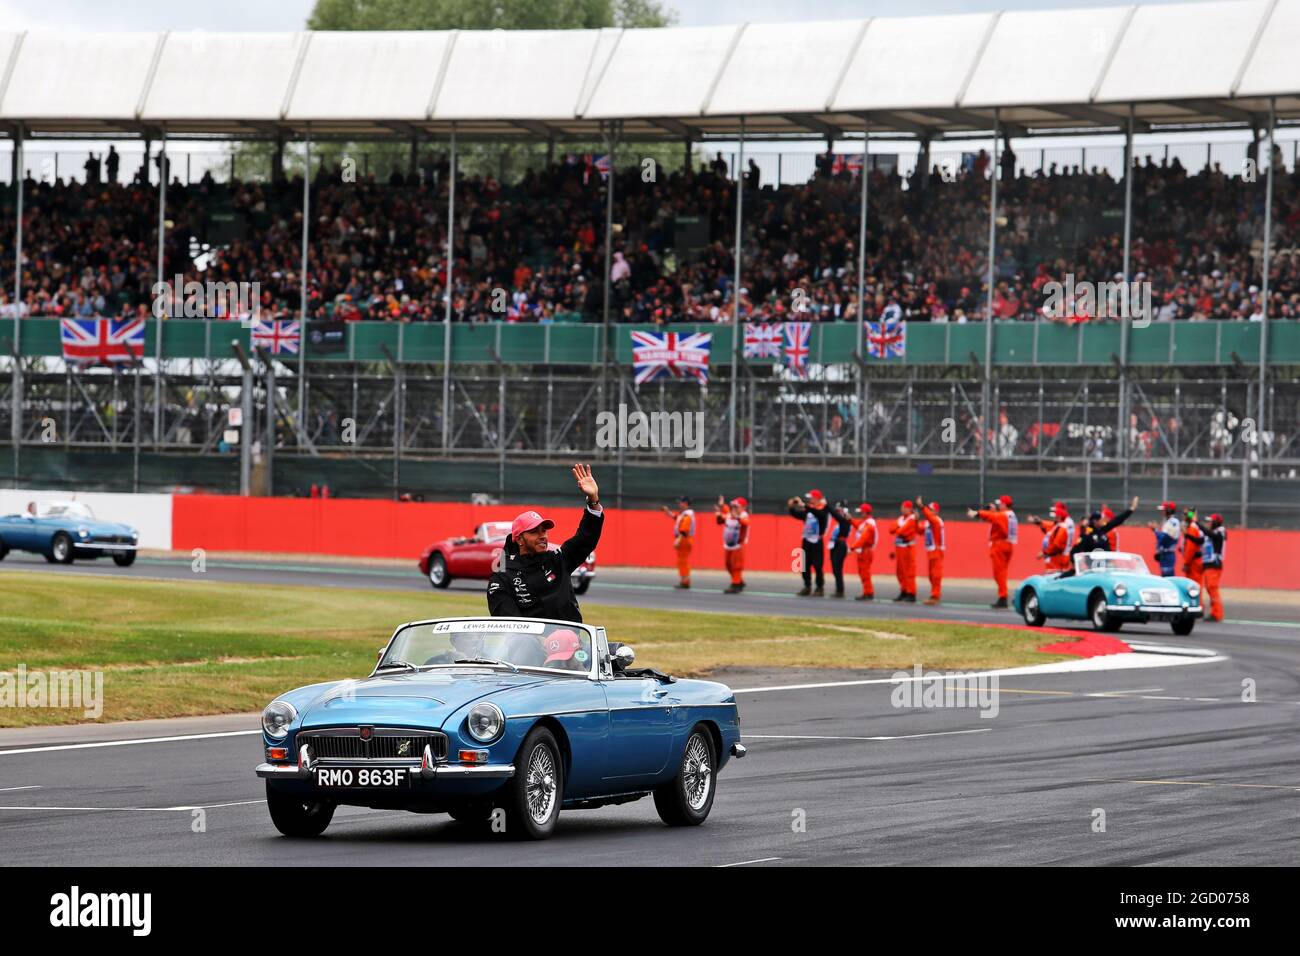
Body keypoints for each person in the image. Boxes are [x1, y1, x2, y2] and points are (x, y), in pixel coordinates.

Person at [486, 464, 603, 623]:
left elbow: (586, 538)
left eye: (544, 531)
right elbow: (511, 629)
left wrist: (593, 500)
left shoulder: (558, 560)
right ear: (519, 539)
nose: (542, 536)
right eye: (534, 532)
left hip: (573, 644)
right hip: (530, 647)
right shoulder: (501, 579)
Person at [967, 494, 1018, 608]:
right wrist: (994, 511)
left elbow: (993, 518)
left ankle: (1003, 597)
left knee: (998, 573)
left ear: (1004, 504)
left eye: (1000, 503)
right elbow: (998, 518)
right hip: (1008, 545)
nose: (999, 505)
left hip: (999, 545)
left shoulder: (1003, 515)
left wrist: (976, 513)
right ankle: (1003, 596)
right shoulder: (1011, 515)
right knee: (1002, 572)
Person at [788, 489, 829, 596]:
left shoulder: (823, 509)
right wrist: (792, 507)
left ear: (817, 499)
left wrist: (804, 505)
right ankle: (807, 586)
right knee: (804, 564)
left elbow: (820, 515)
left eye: (811, 497)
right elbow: (798, 515)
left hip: (816, 541)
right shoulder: (808, 510)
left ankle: (820, 587)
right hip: (807, 540)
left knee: (817, 565)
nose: (809, 499)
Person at [716, 495, 751, 594]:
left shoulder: (744, 516)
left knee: (736, 565)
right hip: (728, 544)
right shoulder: (729, 514)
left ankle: (735, 584)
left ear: (743, 508)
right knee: (728, 564)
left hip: (739, 545)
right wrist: (720, 510)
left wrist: (737, 518)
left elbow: (746, 523)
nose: (734, 508)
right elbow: (720, 520)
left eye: (737, 506)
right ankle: (739, 581)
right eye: (733, 506)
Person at [1026, 502, 1072, 573]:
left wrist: (1044, 552)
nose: (1054, 515)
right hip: (1057, 556)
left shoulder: (1063, 525)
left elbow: (1057, 544)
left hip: (1058, 557)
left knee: (1053, 577)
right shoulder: (1063, 523)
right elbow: (1052, 527)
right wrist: (1039, 522)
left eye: (1056, 512)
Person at [662, 496, 695, 589]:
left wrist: (678, 539)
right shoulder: (684, 514)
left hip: (684, 538)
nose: (679, 504)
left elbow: (684, 529)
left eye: (680, 502)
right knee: (681, 561)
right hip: (684, 538)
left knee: (682, 561)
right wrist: (668, 512)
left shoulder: (687, 515)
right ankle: (684, 580)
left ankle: (685, 581)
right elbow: (677, 519)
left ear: (685, 503)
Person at [917, 496, 945, 604]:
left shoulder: (937, 521)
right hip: (930, 551)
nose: (929, 511)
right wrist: (915, 520)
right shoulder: (928, 522)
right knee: (931, 574)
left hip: (937, 550)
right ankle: (934, 594)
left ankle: (935, 596)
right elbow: (920, 531)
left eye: (931, 509)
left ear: (936, 511)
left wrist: (922, 507)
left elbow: (930, 518)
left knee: (936, 574)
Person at [890, 500, 918, 603]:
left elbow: (902, 531)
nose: (901, 509)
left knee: (909, 571)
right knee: (900, 572)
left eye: (904, 507)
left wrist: (897, 529)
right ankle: (904, 591)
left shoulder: (912, 519)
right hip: (899, 547)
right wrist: (898, 528)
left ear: (909, 509)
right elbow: (891, 528)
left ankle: (911, 593)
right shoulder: (901, 519)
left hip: (908, 548)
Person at [848, 503, 877, 601]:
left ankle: (868, 592)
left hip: (866, 551)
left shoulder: (869, 524)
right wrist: (851, 520)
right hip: (863, 550)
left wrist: (852, 548)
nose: (860, 514)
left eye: (861, 512)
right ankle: (867, 591)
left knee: (865, 572)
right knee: (862, 572)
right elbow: (859, 526)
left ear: (866, 513)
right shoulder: (865, 523)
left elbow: (863, 538)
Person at [1200, 513, 1226, 622]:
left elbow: (1213, 536)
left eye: (1210, 521)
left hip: (1215, 564)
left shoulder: (1221, 531)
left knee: (1212, 588)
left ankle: (1217, 613)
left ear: (1216, 522)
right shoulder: (1211, 533)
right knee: (1210, 589)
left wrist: (1198, 524)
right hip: (1208, 564)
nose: (1208, 523)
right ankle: (1214, 612)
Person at [826, 502, 853, 598]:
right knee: (835, 568)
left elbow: (837, 516)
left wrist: (828, 506)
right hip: (835, 545)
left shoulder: (845, 522)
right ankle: (838, 588)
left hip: (840, 546)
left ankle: (840, 590)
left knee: (838, 568)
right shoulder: (839, 524)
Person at [1148, 501, 1182, 577]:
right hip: (1165, 554)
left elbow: (1165, 538)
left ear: (1169, 510)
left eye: (1164, 510)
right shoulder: (1169, 522)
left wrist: (1155, 530)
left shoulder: (1173, 522)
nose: (1162, 512)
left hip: (1168, 554)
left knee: (1168, 578)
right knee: (1165, 577)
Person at [1180, 507, 1205, 602]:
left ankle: (1197, 605)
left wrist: (1186, 563)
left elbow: (1191, 548)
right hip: (1194, 560)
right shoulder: (1193, 527)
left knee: (1193, 585)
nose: (1184, 516)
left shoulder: (1192, 528)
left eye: (1187, 514)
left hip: (1193, 562)